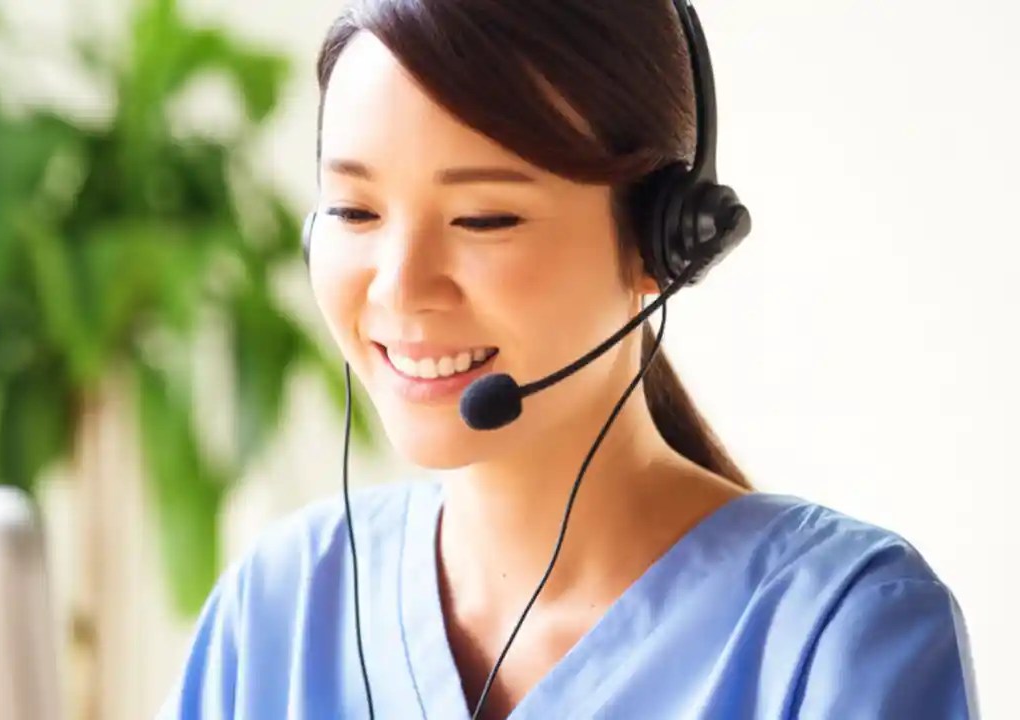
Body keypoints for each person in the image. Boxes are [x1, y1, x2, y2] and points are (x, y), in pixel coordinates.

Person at [160, 1, 977, 718]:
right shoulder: (281, 609)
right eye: (353, 209)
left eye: (484, 218)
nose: (402, 289)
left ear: (666, 242)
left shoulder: (839, 634)